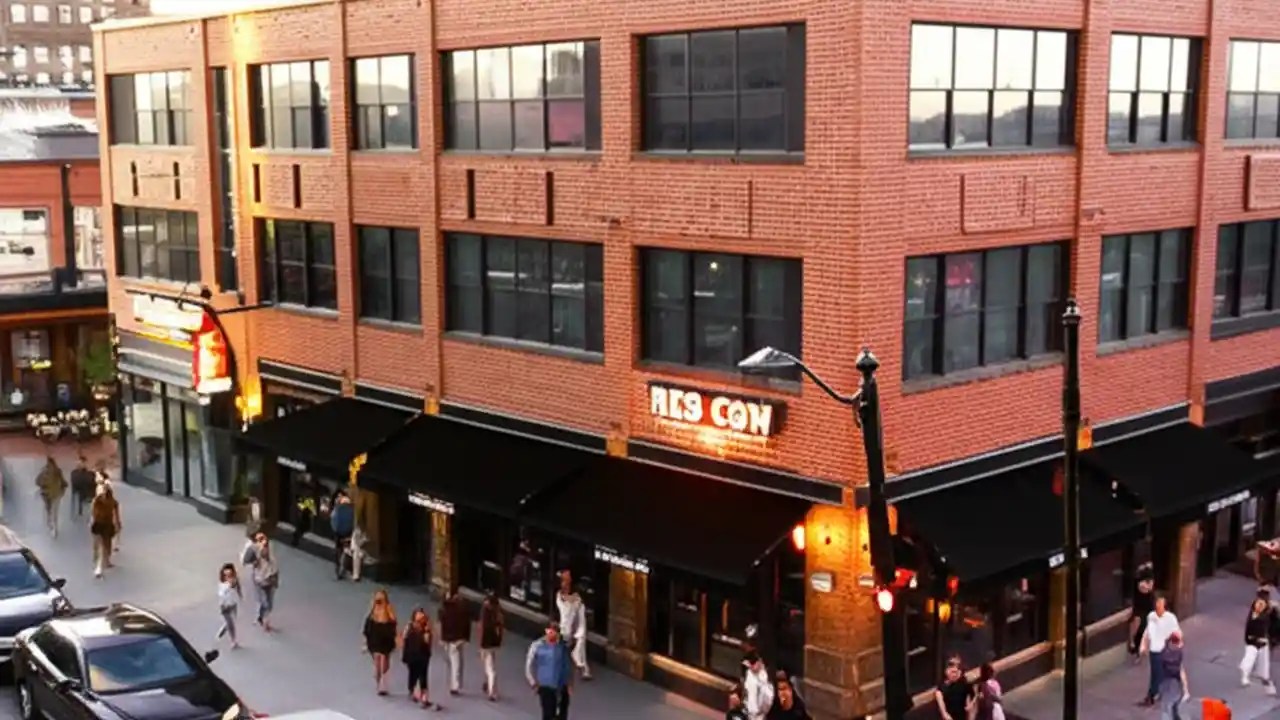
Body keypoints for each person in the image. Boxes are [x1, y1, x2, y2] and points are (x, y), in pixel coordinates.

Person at [1140, 592, 1182, 707]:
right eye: (1157, 602)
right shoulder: (1151, 617)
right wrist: (1143, 646)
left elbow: (1177, 633)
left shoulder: (1170, 618)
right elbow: (1147, 632)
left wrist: (1176, 645)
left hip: (1164, 650)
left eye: (1161, 603)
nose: (1158, 605)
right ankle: (1155, 694)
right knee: (1155, 673)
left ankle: (1154, 695)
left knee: (1160, 673)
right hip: (1154, 649)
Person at [525, 620, 573, 720]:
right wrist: (533, 682)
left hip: (561, 684)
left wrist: (569, 683)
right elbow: (529, 665)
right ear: (546, 631)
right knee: (548, 713)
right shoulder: (537, 646)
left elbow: (567, 664)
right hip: (545, 685)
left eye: (556, 631)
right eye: (551, 630)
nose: (553, 634)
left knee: (562, 714)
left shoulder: (562, 646)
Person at [555, 570, 591, 680]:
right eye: (566, 577)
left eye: (569, 576)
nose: (568, 579)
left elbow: (577, 602)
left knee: (581, 638)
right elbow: (566, 600)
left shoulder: (575, 594)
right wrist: (573, 599)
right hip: (566, 625)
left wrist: (576, 601)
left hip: (575, 620)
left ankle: (584, 668)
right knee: (564, 644)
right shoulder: (561, 594)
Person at [362, 588, 398, 695]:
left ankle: (383, 679)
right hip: (375, 636)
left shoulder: (388, 608)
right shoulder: (373, 609)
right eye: (377, 597)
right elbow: (368, 624)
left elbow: (393, 621)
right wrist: (365, 641)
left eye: (381, 597)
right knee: (378, 661)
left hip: (386, 636)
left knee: (385, 660)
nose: (379, 600)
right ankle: (379, 682)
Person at [403, 607, 438, 709]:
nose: (420, 618)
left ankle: (424, 697)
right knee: (413, 673)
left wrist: (427, 630)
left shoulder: (426, 628)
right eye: (418, 615)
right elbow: (405, 639)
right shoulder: (409, 626)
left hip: (423, 655)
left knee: (423, 676)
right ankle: (412, 689)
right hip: (411, 655)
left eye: (421, 615)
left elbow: (428, 641)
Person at [1241, 592, 1276, 694]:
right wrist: (1249, 639)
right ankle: (1245, 676)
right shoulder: (1253, 614)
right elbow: (1248, 628)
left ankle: (1265, 678)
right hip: (1253, 641)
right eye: (1258, 603)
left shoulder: (1267, 614)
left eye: (1262, 604)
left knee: (1263, 661)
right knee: (1249, 658)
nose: (1259, 606)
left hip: (1263, 641)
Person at [439, 586, 470, 696]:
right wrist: (465, 637)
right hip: (458, 639)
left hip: (449, 638)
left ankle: (454, 684)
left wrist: (442, 638)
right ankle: (455, 683)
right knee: (457, 660)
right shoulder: (462, 609)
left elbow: (443, 624)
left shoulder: (445, 609)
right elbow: (466, 624)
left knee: (452, 659)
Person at [89, 483, 120, 578]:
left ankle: (99, 566)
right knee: (103, 545)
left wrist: (117, 524)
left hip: (102, 525)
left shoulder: (98, 501)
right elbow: (115, 515)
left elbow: (93, 514)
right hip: (104, 525)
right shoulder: (109, 502)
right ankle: (104, 562)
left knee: (101, 546)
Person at [249, 532, 279, 632]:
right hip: (259, 581)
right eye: (260, 540)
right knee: (264, 602)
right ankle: (262, 618)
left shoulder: (271, 551)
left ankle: (264, 619)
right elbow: (246, 560)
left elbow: (275, 567)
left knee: (269, 604)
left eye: (264, 539)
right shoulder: (255, 551)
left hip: (270, 580)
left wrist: (276, 579)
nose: (263, 542)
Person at [1159, 631, 1191, 720]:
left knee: (1168, 705)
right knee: (1172, 704)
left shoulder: (1164, 652)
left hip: (1165, 681)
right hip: (1174, 682)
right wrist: (1185, 689)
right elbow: (1181, 670)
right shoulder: (1178, 654)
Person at [479, 591, 504, 701]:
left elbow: (482, 629)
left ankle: (491, 690)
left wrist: (480, 645)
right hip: (494, 642)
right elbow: (501, 628)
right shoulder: (498, 613)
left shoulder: (485, 612)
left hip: (486, 643)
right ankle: (488, 684)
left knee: (490, 667)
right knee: (489, 663)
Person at [35, 456, 67, 538]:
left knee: (48, 510)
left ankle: (50, 523)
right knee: (54, 512)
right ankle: (54, 527)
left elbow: (37, 482)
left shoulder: (43, 471)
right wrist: (62, 491)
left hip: (46, 495)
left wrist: (43, 487)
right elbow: (64, 483)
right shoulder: (58, 471)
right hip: (56, 495)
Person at [1129, 567, 1155, 662]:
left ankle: (1142, 648)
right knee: (1137, 621)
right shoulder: (1140, 585)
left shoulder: (1148, 585)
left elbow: (1149, 589)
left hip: (1148, 607)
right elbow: (1143, 588)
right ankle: (1133, 642)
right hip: (1139, 607)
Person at [216, 563, 242, 649]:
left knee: (232, 621)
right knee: (231, 624)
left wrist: (240, 596)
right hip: (225, 606)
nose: (228, 577)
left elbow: (238, 588)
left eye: (230, 575)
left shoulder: (235, 580)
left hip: (233, 604)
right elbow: (221, 594)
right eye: (226, 575)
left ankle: (225, 627)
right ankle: (233, 641)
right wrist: (228, 586)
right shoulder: (222, 584)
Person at [742, 651, 774, 720]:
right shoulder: (749, 673)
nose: (751, 667)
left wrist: (761, 713)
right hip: (748, 713)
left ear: (760, 662)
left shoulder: (765, 678)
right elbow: (746, 691)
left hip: (759, 716)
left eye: (752, 664)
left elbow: (768, 700)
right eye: (749, 664)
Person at [331, 490, 355, 580]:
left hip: (339, 533)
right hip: (346, 532)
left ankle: (340, 569)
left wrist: (335, 529)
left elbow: (334, 520)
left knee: (340, 552)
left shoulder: (338, 509)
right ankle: (342, 569)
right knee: (345, 551)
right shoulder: (350, 508)